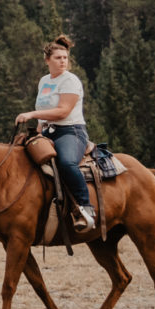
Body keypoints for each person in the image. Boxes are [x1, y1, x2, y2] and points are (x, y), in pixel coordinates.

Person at [16, 34, 95, 231]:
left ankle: (85, 208)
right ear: (47, 60)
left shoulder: (70, 80)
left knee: (67, 163)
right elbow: (45, 111)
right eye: (58, 58)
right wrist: (39, 130)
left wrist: (31, 114)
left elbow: (62, 111)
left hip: (71, 131)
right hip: (48, 132)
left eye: (65, 58)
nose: (63, 61)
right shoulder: (44, 81)